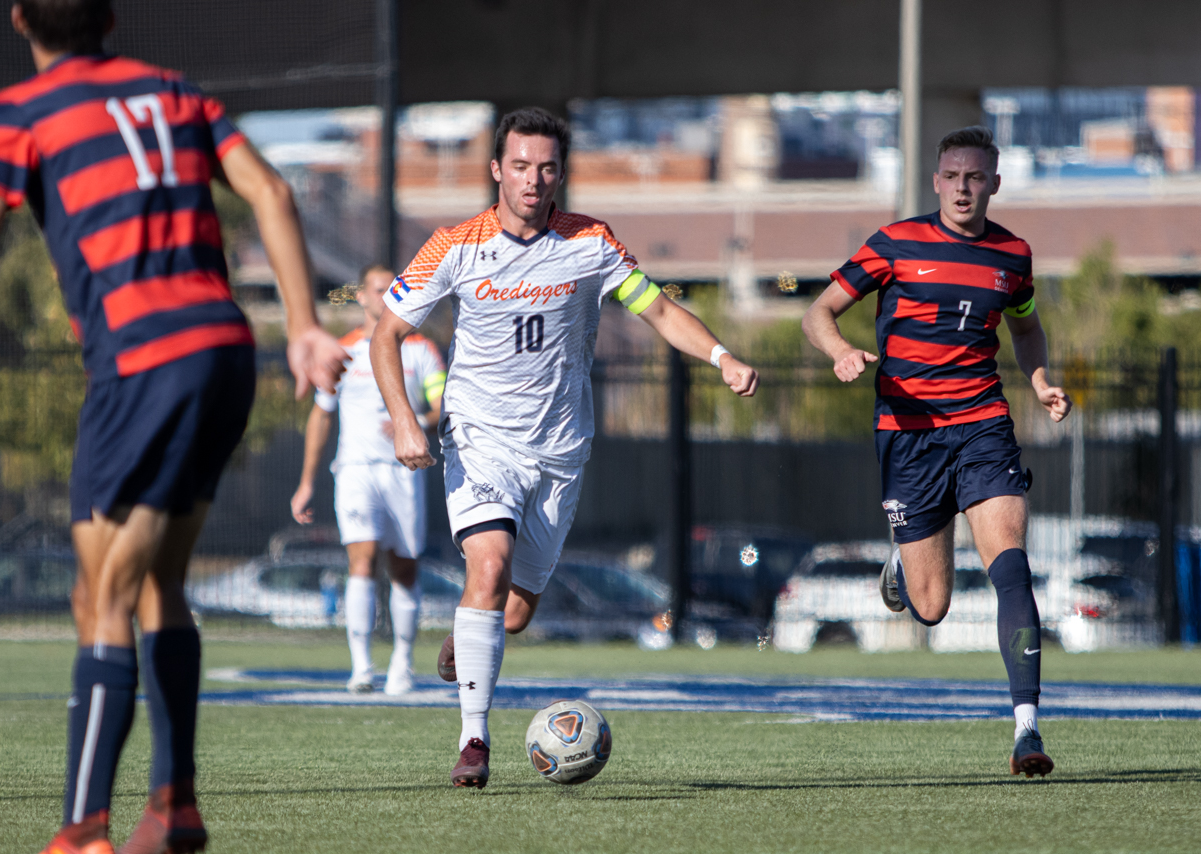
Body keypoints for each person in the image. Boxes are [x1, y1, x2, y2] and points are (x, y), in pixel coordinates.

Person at [0, 0, 348, 854]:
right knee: (155, 586)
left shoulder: (19, 113)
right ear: (111, 16)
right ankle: (174, 801)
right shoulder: (174, 91)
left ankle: (81, 834)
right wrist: (301, 324)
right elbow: (271, 190)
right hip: (223, 348)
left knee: (98, 595)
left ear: (18, 16)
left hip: (143, 363)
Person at [370, 107, 760, 788]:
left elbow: (661, 310)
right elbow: (384, 335)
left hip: (559, 451)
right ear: (497, 169)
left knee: (514, 611)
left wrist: (722, 356)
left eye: (547, 167)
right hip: (479, 440)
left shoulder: (591, 242)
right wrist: (405, 417)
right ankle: (473, 741)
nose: (533, 178)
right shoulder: (454, 245)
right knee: (488, 569)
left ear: (560, 173)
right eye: (520, 165)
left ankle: (468, 634)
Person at [801, 125, 1072, 778]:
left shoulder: (1013, 256)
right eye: (952, 176)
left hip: (983, 426)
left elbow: (1027, 328)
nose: (962, 188)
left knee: (1012, 565)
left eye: (975, 177)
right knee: (931, 607)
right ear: (935, 180)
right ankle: (904, 564)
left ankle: (1027, 730)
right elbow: (817, 311)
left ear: (994, 184)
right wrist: (840, 352)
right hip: (908, 437)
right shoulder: (895, 244)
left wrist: (1039, 381)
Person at [292, 263, 447, 696]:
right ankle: (361, 667)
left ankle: (402, 661)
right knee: (360, 561)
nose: (386, 297)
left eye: (394, 289)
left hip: (405, 471)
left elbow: (441, 405)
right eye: (379, 289)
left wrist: (412, 420)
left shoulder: (420, 349)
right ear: (360, 296)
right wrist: (306, 483)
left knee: (404, 566)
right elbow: (321, 416)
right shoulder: (340, 351)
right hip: (356, 470)